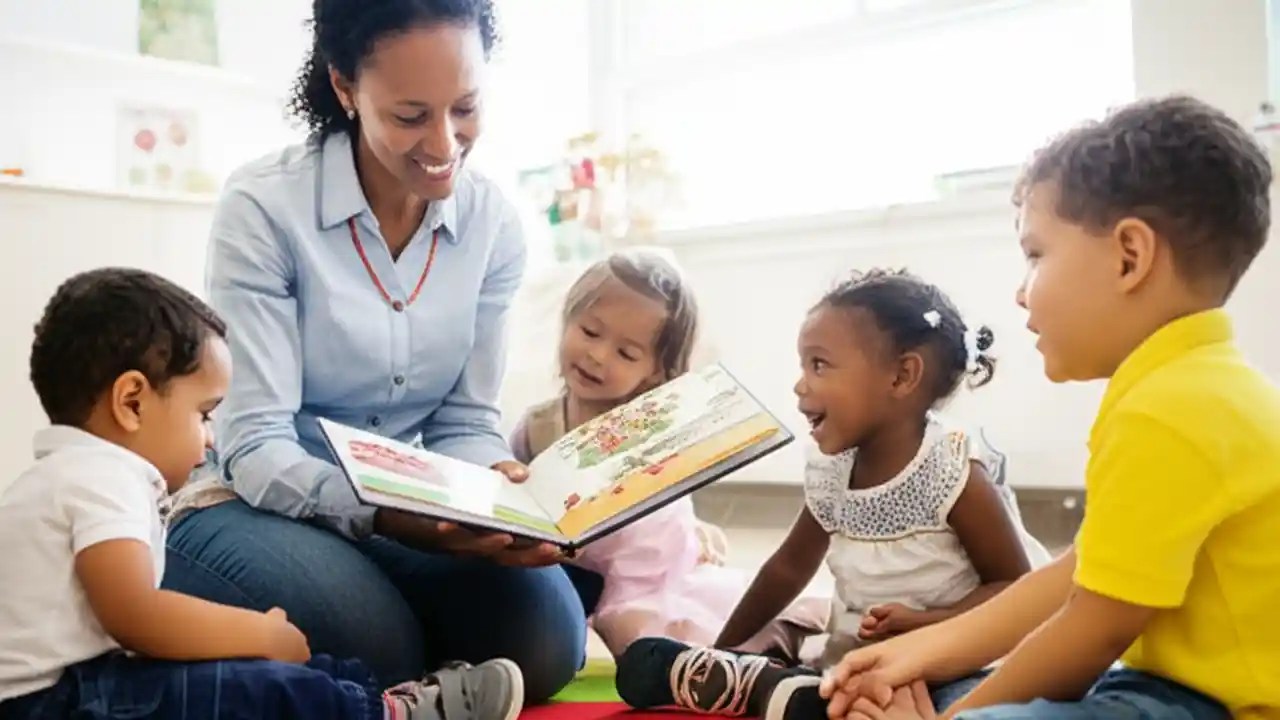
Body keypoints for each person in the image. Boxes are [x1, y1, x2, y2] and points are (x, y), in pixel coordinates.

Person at [161, 0, 599, 703]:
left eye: (465, 108)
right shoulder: (265, 209)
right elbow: (257, 444)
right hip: (252, 499)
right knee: (378, 644)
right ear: (345, 88)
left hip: (407, 508)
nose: (445, 142)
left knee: (548, 637)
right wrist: (387, 518)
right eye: (410, 115)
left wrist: (501, 495)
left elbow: (464, 422)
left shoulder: (492, 226)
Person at [821, 95, 1280, 720]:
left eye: (1035, 255)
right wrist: (926, 650)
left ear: (1130, 257)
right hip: (1174, 686)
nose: (1019, 291)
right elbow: (1080, 573)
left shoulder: (1169, 411)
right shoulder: (1198, 384)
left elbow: (1095, 629)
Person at [0, 267, 524, 720]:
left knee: (247, 671)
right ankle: (386, 712)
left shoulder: (64, 477)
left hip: (70, 687)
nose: (210, 437)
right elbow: (136, 615)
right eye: (204, 415)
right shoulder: (102, 478)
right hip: (51, 702)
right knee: (253, 686)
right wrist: (257, 632)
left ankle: (359, 696)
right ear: (132, 402)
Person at [614, 268, 1049, 719]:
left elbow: (1013, 589)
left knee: (960, 709)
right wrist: (723, 647)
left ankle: (781, 692)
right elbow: (786, 569)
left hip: (954, 660)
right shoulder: (832, 470)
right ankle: (756, 679)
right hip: (861, 659)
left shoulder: (952, 470)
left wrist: (926, 627)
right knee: (843, 682)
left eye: (818, 365)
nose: (800, 385)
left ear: (902, 377)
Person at [509, 249, 827, 659]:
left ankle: (767, 645)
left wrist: (695, 529)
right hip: (585, 571)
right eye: (589, 332)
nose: (597, 355)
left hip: (652, 568)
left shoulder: (651, 428)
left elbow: (663, 513)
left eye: (626, 353)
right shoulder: (534, 427)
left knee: (677, 624)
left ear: (656, 372)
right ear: (568, 318)